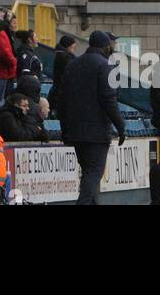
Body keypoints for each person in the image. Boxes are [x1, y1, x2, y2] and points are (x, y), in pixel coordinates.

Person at [59, 30, 125, 205]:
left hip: (75, 130)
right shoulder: (106, 66)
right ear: (105, 46)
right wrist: (121, 126)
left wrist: (65, 128)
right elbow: (109, 100)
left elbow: (62, 99)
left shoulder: (72, 65)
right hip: (96, 132)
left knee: (88, 172)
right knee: (94, 172)